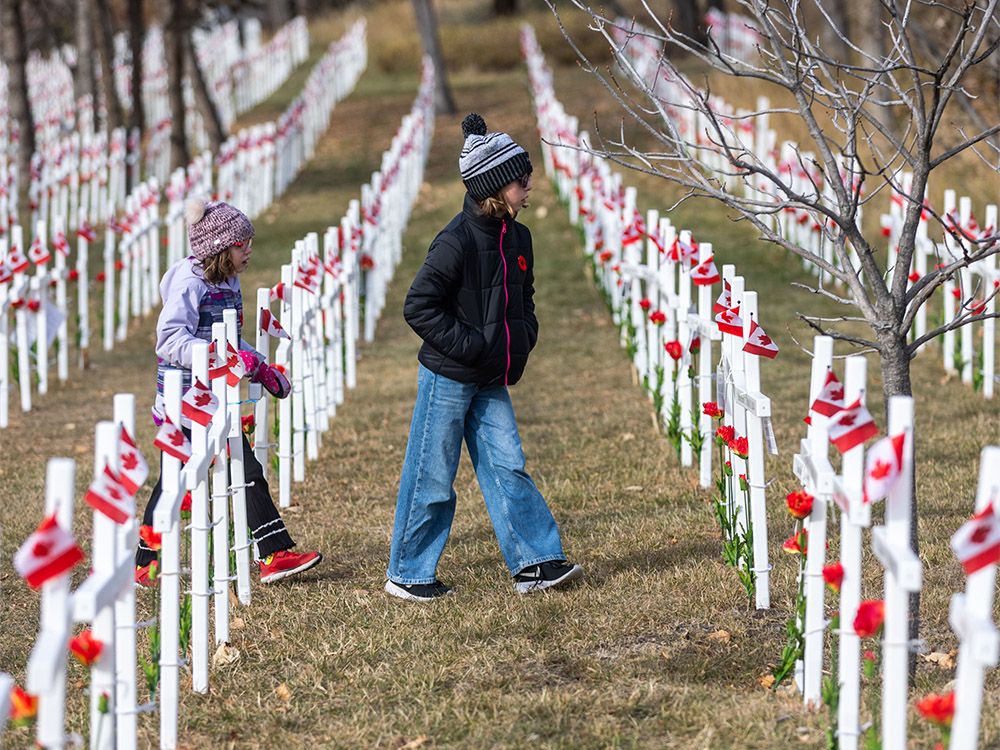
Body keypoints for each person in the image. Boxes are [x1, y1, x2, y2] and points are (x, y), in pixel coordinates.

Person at [385, 113, 583, 602]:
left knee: (507, 464)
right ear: (495, 185)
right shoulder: (454, 241)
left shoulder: (519, 238)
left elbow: (525, 296)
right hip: (449, 375)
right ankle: (408, 572)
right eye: (521, 178)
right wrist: (472, 345)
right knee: (433, 474)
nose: (529, 184)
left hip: (490, 376)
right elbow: (418, 306)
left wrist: (525, 335)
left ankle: (534, 561)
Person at [135, 198, 322, 586]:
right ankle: (148, 560)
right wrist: (223, 357)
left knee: (238, 467)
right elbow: (170, 342)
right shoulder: (189, 284)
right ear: (220, 249)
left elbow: (231, 340)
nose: (249, 251)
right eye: (242, 245)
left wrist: (261, 366)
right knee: (181, 476)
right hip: (184, 399)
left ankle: (272, 552)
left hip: (215, 396)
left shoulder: (229, 282)